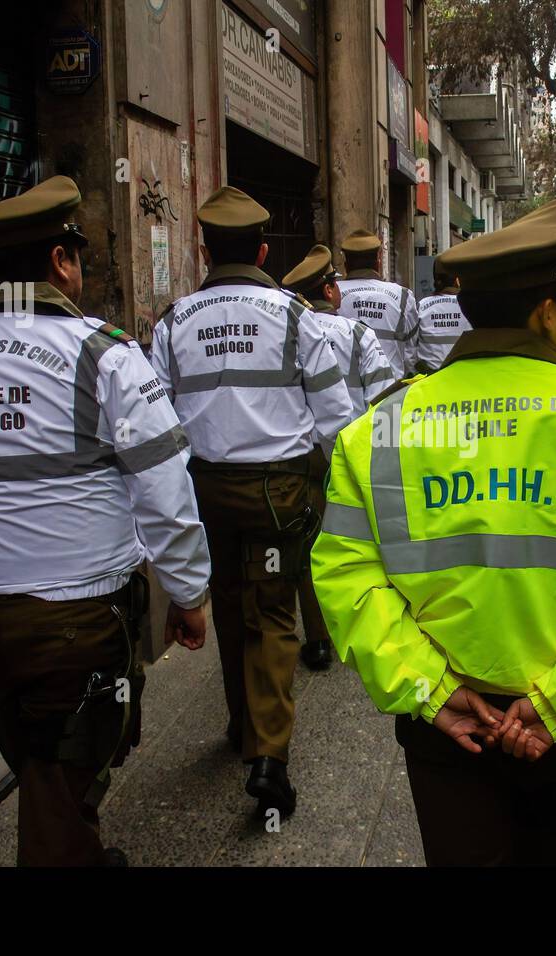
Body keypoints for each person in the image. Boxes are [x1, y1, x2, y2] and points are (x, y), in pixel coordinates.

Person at [310, 198, 556, 866]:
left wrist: (430, 688)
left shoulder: (379, 430)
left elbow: (345, 578)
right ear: (546, 311)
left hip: (447, 731)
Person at [0, 176, 213, 866]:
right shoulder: (104, 355)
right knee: (58, 785)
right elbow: (164, 490)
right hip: (78, 622)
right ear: (61, 261)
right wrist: (188, 594)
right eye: (79, 256)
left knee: (44, 769)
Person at [152, 186, 353, 817]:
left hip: (206, 492)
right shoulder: (298, 318)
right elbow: (336, 421)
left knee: (232, 608)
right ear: (263, 250)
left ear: (204, 249)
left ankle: (241, 726)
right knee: (272, 614)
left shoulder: (172, 322)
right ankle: (268, 755)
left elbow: (157, 428)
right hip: (277, 493)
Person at [281, 244, 393, 670]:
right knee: (354, 538)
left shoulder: (286, 332)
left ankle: (319, 638)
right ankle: (360, 617)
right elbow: (384, 397)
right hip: (348, 452)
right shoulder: (358, 333)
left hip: (300, 457)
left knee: (309, 541)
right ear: (331, 289)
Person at [336, 229, 419, 381]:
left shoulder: (332, 294)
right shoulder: (403, 296)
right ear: (378, 261)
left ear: (346, 264)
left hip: (346, 395)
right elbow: (411, 353)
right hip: (390, 394)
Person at [415, 262, 471, 373]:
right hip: (462, 374)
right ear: (457, 280)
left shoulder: (421, 306)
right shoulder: (468, 306)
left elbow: (411, 348)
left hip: (430, 377)